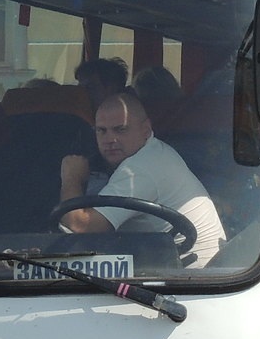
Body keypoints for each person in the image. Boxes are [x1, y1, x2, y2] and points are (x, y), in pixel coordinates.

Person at [58, 89, 226, 267]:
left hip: (194, 280)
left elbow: (82, 227)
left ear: (145, 130)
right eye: (102, 131)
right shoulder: (154, 152)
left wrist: (71, 178)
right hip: (180, 268)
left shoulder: (139, 169)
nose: (109, 139)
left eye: (120, 130)